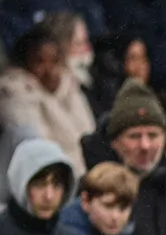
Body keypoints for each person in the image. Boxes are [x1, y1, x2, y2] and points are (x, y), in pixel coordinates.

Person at [0, 24, 96, 175]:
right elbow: (40, 150)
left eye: (54, 60)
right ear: (24, 64)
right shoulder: (13, 93)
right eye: (39, 62)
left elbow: (89, 134)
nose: (50, 70)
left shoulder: (69, 86)